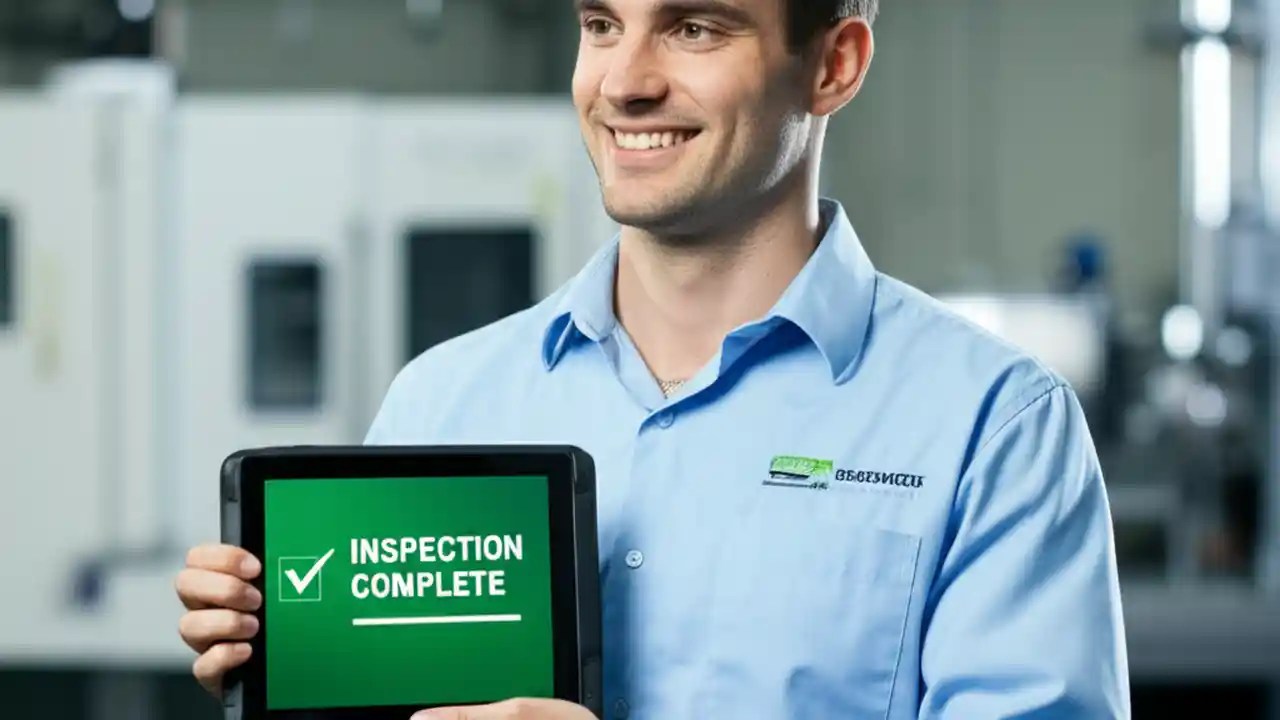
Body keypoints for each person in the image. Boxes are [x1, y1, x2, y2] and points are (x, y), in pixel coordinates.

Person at [174, 0, 1131, 717]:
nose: (623, 81)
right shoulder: (445, 400)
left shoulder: (990, 428)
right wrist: (285, 655)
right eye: (601, 24)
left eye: (695, 30)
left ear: (833, 65)